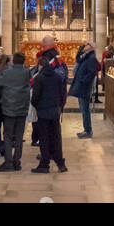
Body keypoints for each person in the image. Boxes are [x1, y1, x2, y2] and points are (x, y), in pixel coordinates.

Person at [30, 38, 68, 173]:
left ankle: (44, 165)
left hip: (43, 111)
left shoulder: (39, 77)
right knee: (56, 137)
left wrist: (37, 106)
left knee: (44, 137)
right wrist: (60, 104)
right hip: (55, 109)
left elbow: (35, 97)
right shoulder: (58, 76)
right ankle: (60, 164)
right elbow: (63, 91)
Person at [0, 51, 31, 171]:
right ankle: (17, 161)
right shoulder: (26, 72)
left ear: (13, 61)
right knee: (19, 136)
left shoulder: (7, 72)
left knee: (8, 136)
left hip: (9, 107)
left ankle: (8, 162)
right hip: (22, 107)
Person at [69, 40, 100, 138]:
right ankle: (86, 129)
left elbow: (91, 73)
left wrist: (82, 80)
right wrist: (81, 51)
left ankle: (88, 131)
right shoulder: (86, 56)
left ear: (90, 47)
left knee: (85, 109)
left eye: (87, 44)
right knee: (83, 109)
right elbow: (78, 59)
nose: (84, 45)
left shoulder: (91, 58)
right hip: (82, 86)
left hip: (84, 87)